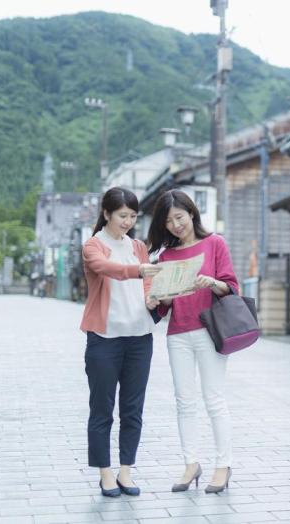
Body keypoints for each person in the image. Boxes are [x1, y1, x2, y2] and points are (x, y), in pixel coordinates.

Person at [147, 189, 238, 494]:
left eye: (180, 217)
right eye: (169, 220)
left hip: (210, 330)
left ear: (192, 214)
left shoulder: (215, 244)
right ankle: (191, 464)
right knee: (184, 402)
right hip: (178, 335)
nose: (175, 225)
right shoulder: (166, 256)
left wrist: (212, 283)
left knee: (214, 400)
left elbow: (232, 289)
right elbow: (162, 309)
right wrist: (156, 300)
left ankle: (223, 466)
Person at [79, 187, 162, 498]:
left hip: (140, 339)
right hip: (105, 339)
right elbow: (105, 269)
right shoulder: (93, 245)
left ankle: (126, 471)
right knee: (102, 409)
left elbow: (148, 285)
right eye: (123, 215)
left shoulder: (139, 247)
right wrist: (137, 271)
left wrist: (153, 297)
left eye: (133, 216)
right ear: (107, 214)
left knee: (133, 410)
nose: (128, 221)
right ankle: (105, 473)